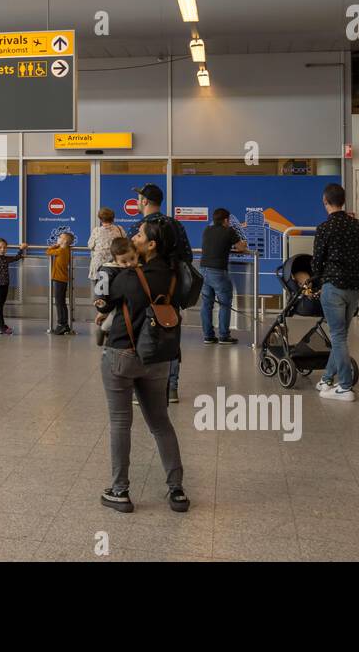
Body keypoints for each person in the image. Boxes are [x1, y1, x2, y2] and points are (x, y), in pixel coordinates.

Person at [92, 218, 190, 514]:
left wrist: (108, 270)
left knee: (121, 423)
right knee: (161, 423)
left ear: (151, 244)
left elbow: (102, 300)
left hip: (122, 354)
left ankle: (120, 491)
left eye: (139, 234)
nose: (134, 236)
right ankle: (177, 491)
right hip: (159, 359)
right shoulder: (173, 275)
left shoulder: (128, 276)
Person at [129, 183, 192, 402]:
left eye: (139, 198)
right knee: (170, 334)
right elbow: (188, 258)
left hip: (145, 290)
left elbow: (131, 259)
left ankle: (145, 386)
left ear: (145, 201)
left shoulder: (140, 227)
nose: (137, 202)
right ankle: (171, 387)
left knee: (143, 334)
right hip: (171, 291)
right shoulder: (176, 225)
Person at [310, 183, 359, 402]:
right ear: (343, 201)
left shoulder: (324, 228)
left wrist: (316, 283)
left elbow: (317, 262)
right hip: (354, 286)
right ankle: (327, 379)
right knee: (341, 337)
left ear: (325, 201)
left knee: (337, 337)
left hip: (333, 286)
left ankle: (345, 386)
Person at [199, 208, 248, 346]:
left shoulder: (207, 230)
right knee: (225, 304)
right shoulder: (229, 231)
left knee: (206, 304)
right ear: (226, 220)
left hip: (203, 270)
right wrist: (242, 243)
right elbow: (241, 247)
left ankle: (208, 336)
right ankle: (224, 336)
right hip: (218, 272)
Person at [93, 236, 137, 348]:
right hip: (114, 299)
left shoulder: (138, 266)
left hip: (127, 299)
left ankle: (105, 330)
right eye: (123, 261)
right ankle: (103, 330)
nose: (129, 264)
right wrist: (100, 299)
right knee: (114, 315)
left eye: (132, 258)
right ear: (115, 260)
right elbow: (101, 285)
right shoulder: (108, 269)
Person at [0, 238, 26, 335]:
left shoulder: (5, 258)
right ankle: (2, 327)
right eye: (0, 247)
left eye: (4, 248)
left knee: (0, 306)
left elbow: (16, 257)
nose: (3, 249)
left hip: (5, 285)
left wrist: (21, 249)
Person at [46, 230, 76, 336]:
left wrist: (54, 246)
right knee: (61, 302)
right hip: (62, 279)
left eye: (60, 237)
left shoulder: (61, 250)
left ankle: (61, 324)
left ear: (64, 241)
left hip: (59, 279)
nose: (58, 238)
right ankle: (64, 324)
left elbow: (48, 251)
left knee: (59, 303)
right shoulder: (66, 249)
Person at [86, 207, 126, 284]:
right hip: (115, 264)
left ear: (100, 219)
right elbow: (124, 243)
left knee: (99, 292)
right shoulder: (119, 229)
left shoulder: (96, 231)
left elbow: (90, 246)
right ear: (113, 218)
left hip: (98, 266)